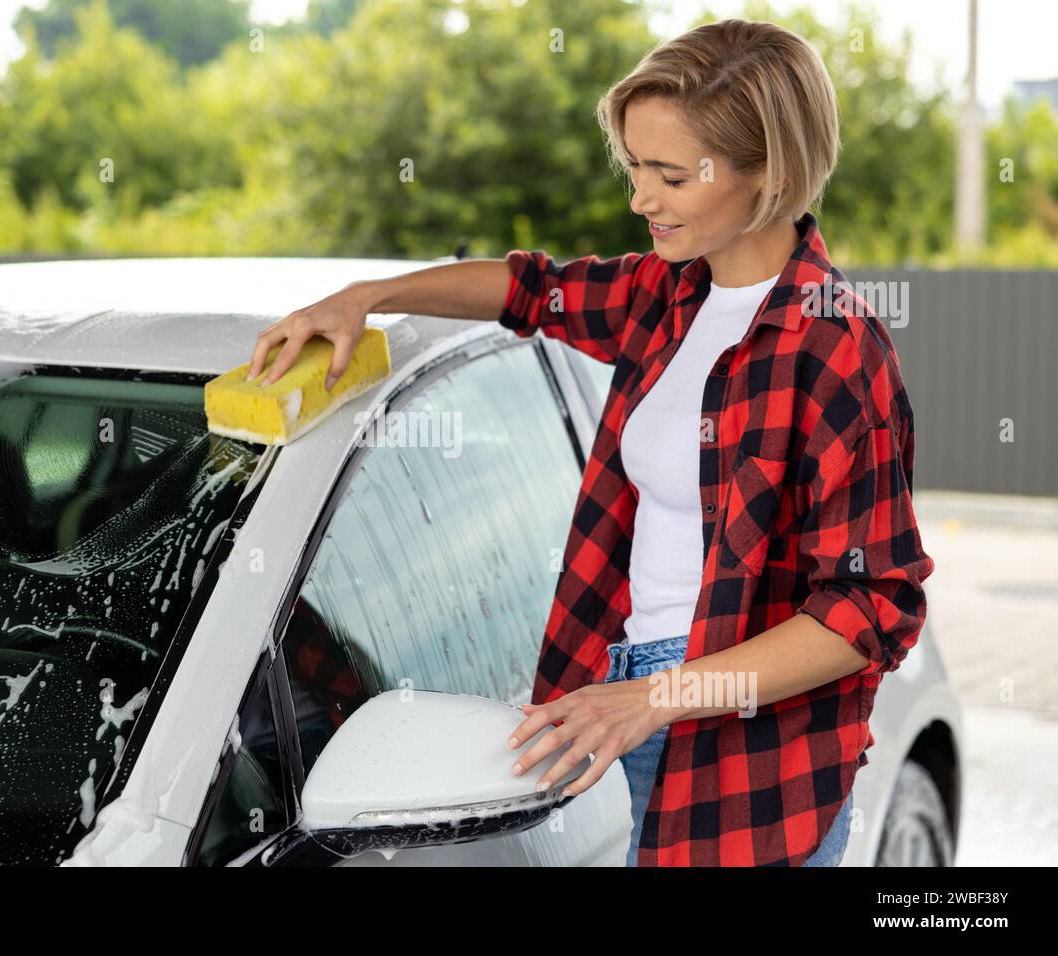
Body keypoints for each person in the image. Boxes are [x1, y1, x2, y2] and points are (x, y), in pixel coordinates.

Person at [243, 18, 934, 866]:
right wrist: (366, 294)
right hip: (629, 693)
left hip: (748, 757)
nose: (640, 198)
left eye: (671, 175)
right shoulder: (666, 292)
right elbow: (530, 289)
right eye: (635, 167)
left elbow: (871, 611)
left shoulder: (837, 348)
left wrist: (659, 695)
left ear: (772, 173)